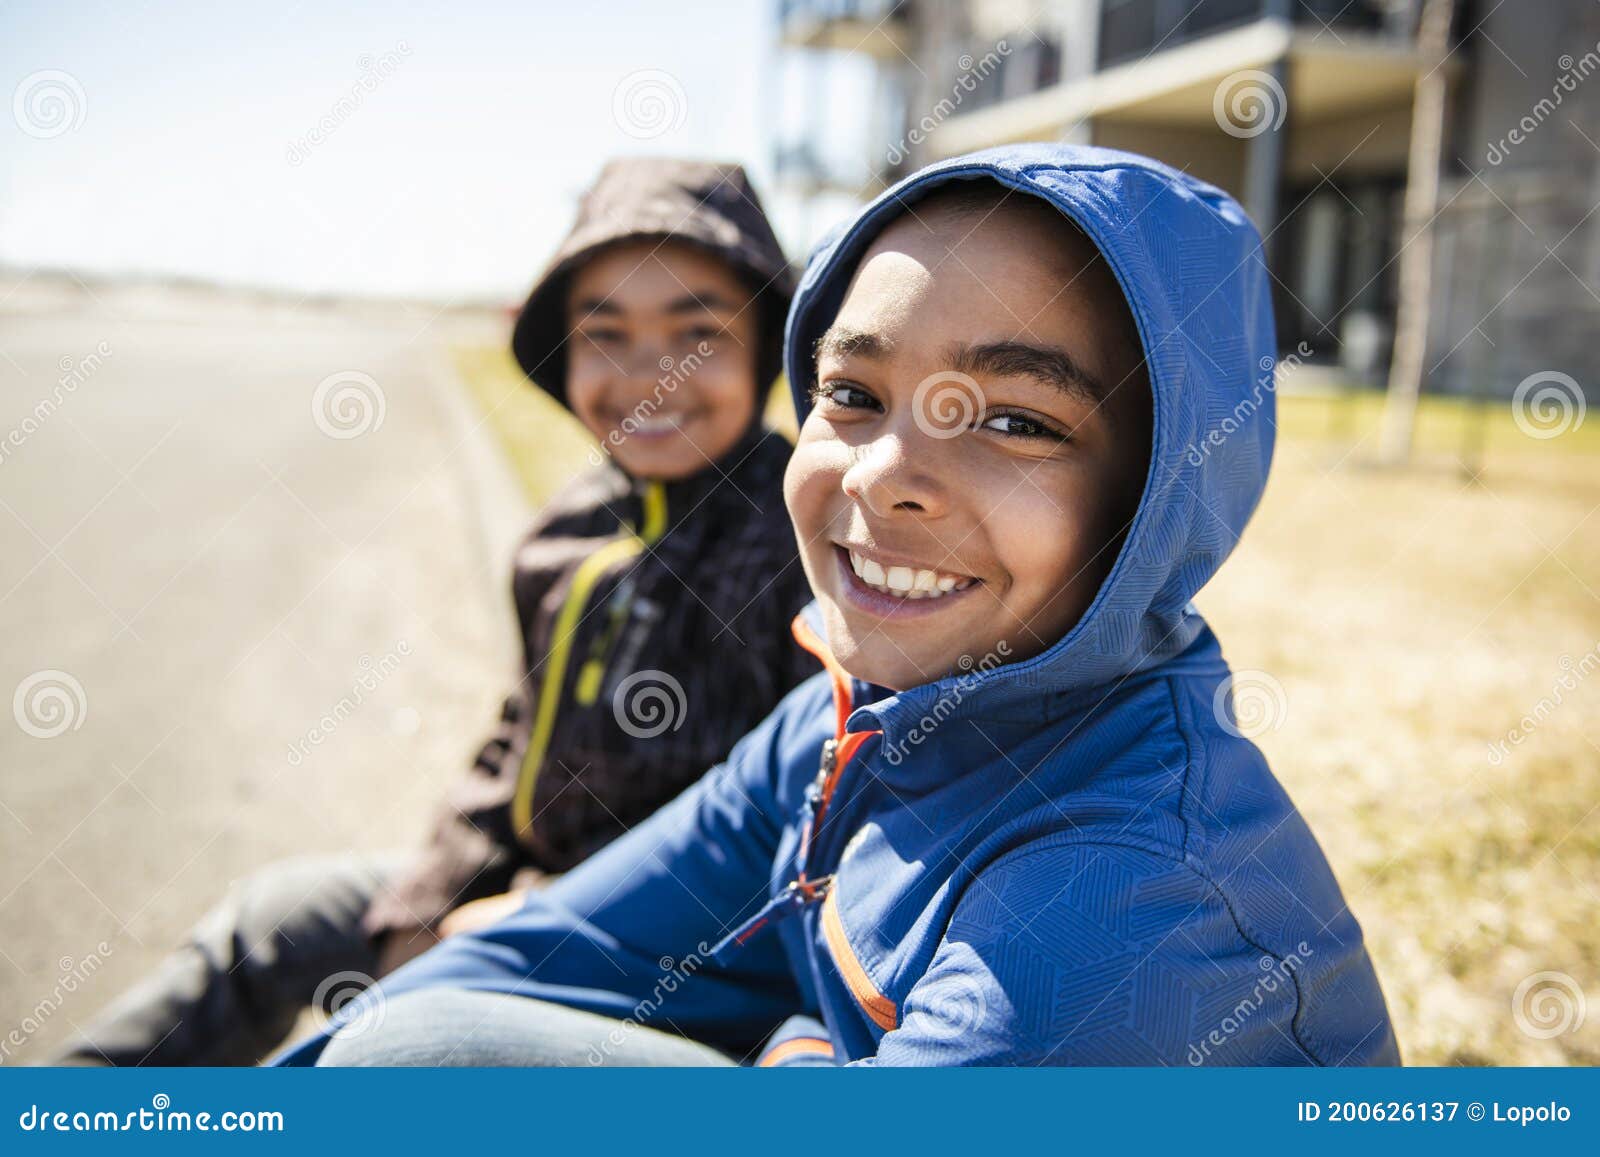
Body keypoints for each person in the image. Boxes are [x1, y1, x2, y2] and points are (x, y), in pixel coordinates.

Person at [276, 144, 1399, 1068]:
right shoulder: (845, 723)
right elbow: (541, 949)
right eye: (854, 394)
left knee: (418, 1063)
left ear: (1158, 496)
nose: (877, 476)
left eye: (1016, 419)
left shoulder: (1124, 916)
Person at [55, 158, 817, 1066]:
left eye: (698, 334)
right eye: (604, 334)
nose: (649, 377)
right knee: (271, 921)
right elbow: (517, 739)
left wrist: (543, 919)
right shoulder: (565, 531)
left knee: (388, 1049)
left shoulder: (804, 543)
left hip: (676, 961)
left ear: (770, 342)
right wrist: (431, 896)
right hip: (519, 887)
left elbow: (807, 817)